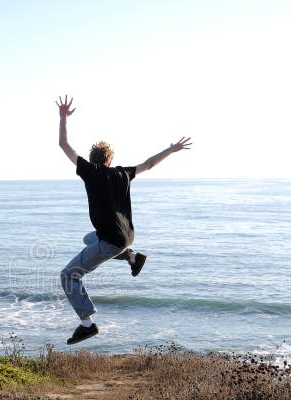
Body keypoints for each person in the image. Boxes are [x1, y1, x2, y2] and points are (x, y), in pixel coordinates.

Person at [56, 94, 191, 345]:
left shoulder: (89, 172)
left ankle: (87, 324)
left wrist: (63, 117)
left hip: (112, 241)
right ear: (110, 160)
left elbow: (64, 144)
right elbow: (149, 164)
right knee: (88, 238)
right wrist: (171, 150)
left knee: (68, 275)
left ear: (93, 159)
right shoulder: (122, 173)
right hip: (127, 236)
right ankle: (132, 257)